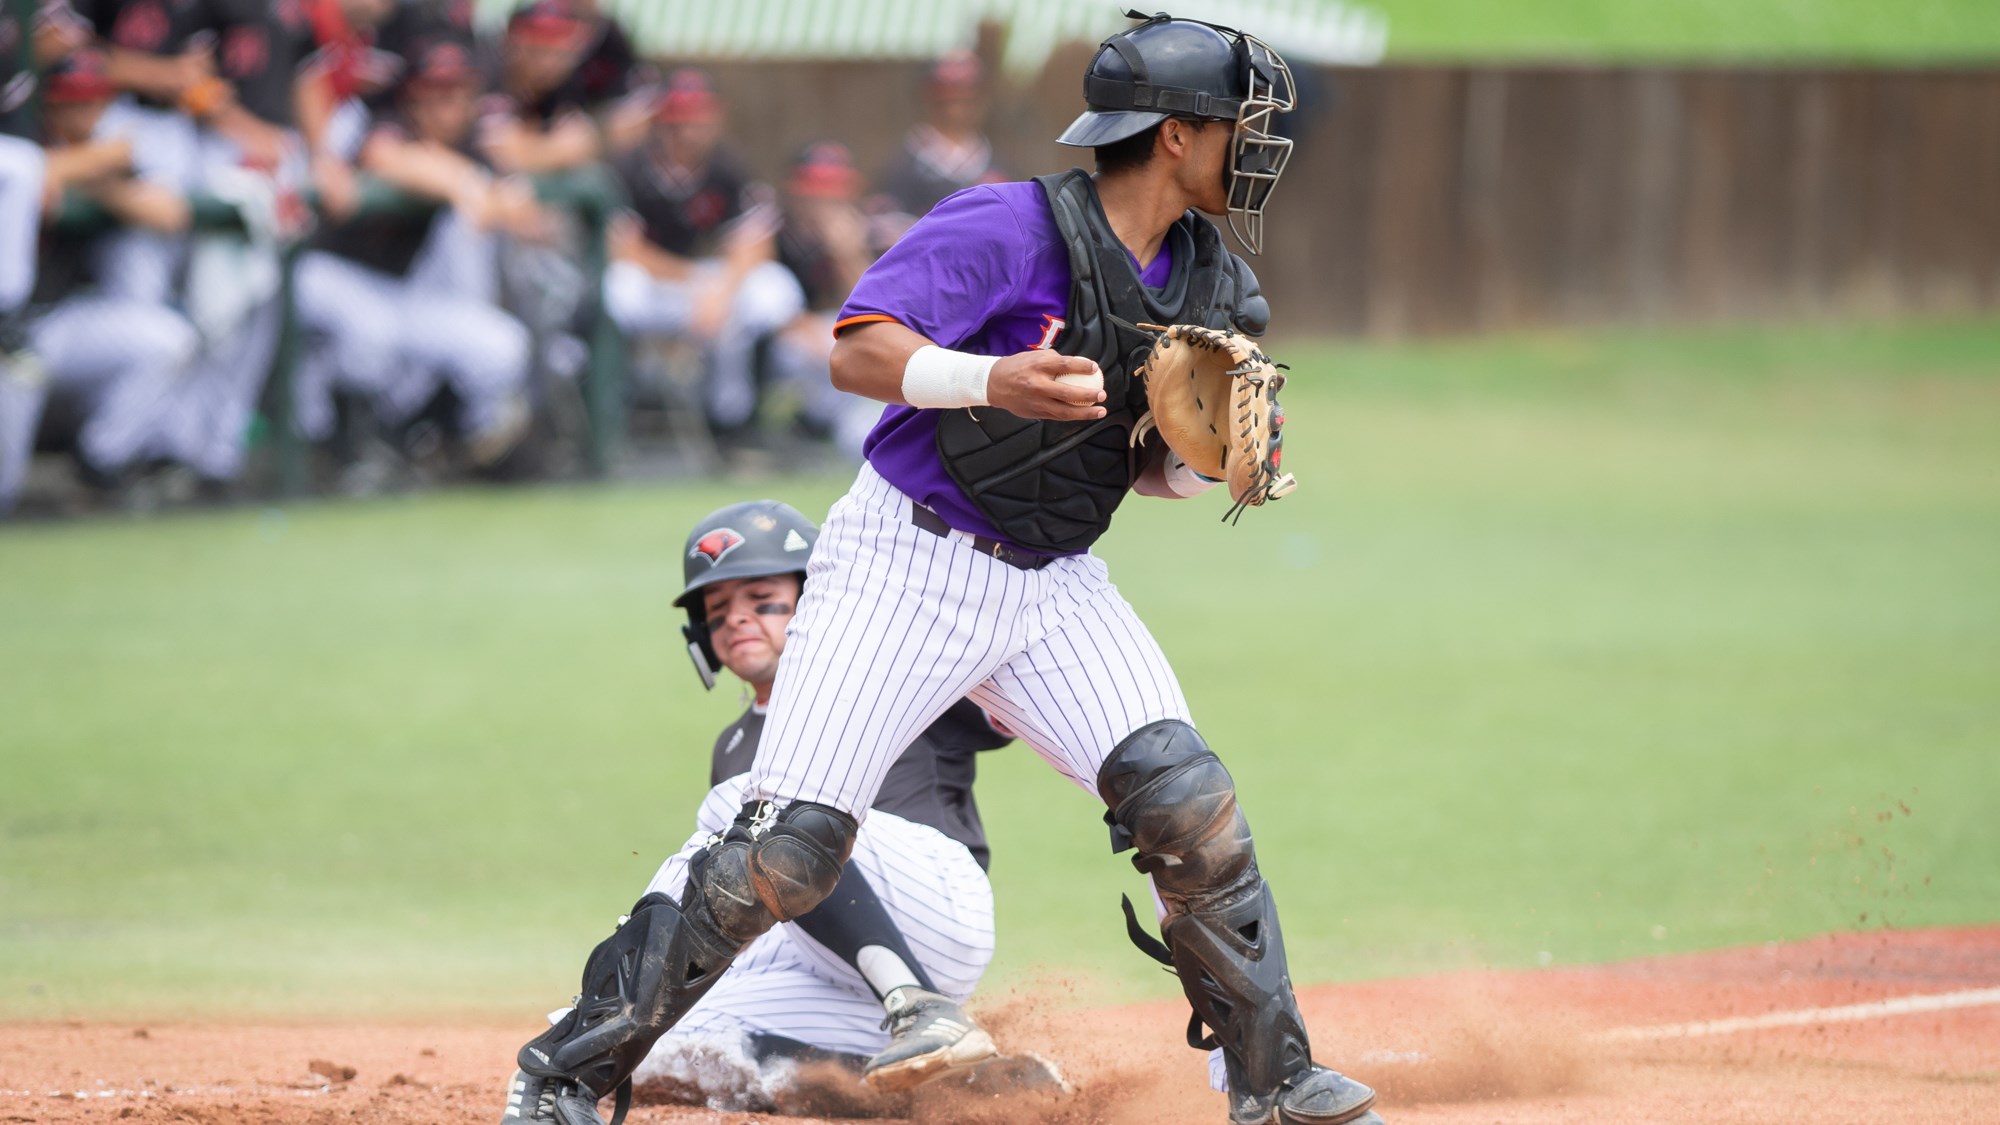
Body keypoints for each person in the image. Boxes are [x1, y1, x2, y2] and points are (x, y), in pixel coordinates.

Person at [501, 14, 1384, 1125]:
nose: (1255, 148)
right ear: (1171, 135)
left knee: (1187, 803)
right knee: (789, 847)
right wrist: (991, 381)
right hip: (903, 562)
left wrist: (1214, 461)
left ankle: (1272, 1081)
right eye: (1236, 127)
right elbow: (854, 345)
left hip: (1051, 584)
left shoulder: (1206, 275)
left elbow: (1150, 466)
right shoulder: (1008, 226)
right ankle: (565, 1071)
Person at [507, 500, 1037, 1119]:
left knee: (752, 806)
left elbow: (1017, 695)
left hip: (937, 905)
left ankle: (915, 1003)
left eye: (761, 600)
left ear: (815, 599)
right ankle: (957, 1089)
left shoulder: (887, 674)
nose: (738, 621)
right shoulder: (732, 745)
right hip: (836, 967)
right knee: (661, 1044)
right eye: (718, 612)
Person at [292, 36, 537, 472]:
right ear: (413, 99)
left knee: (501, 346)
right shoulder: (384, 122)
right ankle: (334, 449)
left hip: (397, 288)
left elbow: (518, 203)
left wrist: (489, 191)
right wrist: (463, 184)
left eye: (457, 95)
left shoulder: (471, 142)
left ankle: (455, 450)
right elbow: (385, 155)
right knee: (370, 333)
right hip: (329, 270)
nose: (448, 108)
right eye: (435, 95)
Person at [0, 50, 198, 512]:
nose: (85, 113)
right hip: (11, 334)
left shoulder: (107, 153)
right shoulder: (25, 151)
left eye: (94, 102)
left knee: (169, 341)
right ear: (48, 106)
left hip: (61, 322)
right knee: (3, 490)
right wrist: (83, 166)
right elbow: (32, 171)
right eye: (71, 102)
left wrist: (95, 180)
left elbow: (171, 213)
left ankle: (98, 464)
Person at [602, 68, 803, 444]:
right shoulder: (629, 166)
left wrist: (720, 291)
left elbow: (755, 242)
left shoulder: (728, 164)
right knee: (619, 290)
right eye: (678, 119)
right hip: (661, 283)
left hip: (710, 285)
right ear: (660, 120)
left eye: (697, 118)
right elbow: (622, 249)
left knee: (775, 290)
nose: (688, 130)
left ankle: (733, 419)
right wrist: (698, 282)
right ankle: (623, 400)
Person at [878, 49, 1005, 224]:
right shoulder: (902, 166)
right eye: (948, 98)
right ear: (928, 96)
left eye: (965, 97)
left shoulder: (995, 164)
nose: (957, 107)